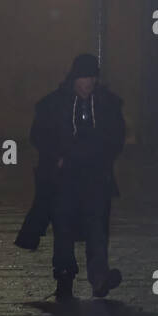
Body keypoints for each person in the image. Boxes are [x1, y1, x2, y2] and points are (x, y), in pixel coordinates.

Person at [28, 53, 125, 300]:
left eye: (92, 78)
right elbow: (38, 135)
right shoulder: (53, 104)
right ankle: (64, 277)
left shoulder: (107, 104)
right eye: (84, 78)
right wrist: (56, 156)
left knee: (97, 228)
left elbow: (116, 137)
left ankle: (99, 277)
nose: (88, 83)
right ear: (74, 78)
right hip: (64, 178)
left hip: (94, 177)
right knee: (63, 228)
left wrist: (103, 159)